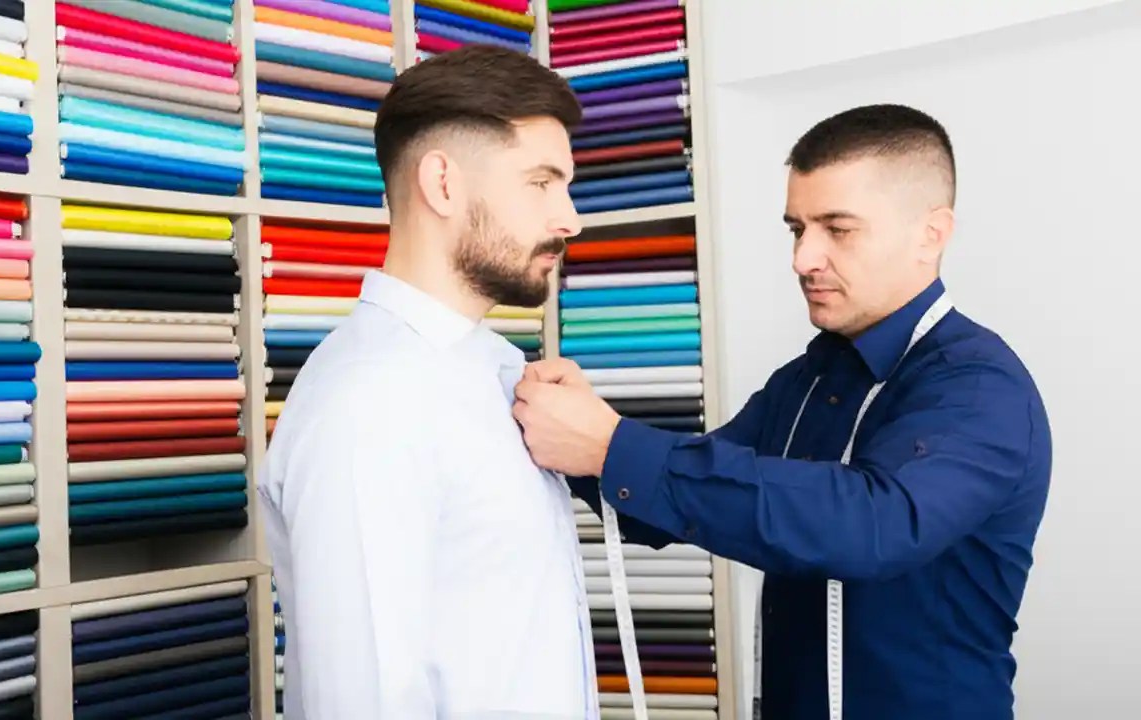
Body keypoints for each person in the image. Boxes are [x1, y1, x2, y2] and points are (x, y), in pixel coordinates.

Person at [512, 104, 1052, 720]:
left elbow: (869, 526)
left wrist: (610, 446)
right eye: (797, 229)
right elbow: (681, 502)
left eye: (838, 229)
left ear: (931, 233)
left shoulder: (981, 388)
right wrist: (569, 434)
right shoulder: (805, 380)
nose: (802, 259)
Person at [256, 46, 597, 719]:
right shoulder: (369, 402)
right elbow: (361, 699)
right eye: (541, 183)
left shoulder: (499, 369)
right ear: (442, 184)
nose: (570, 219)